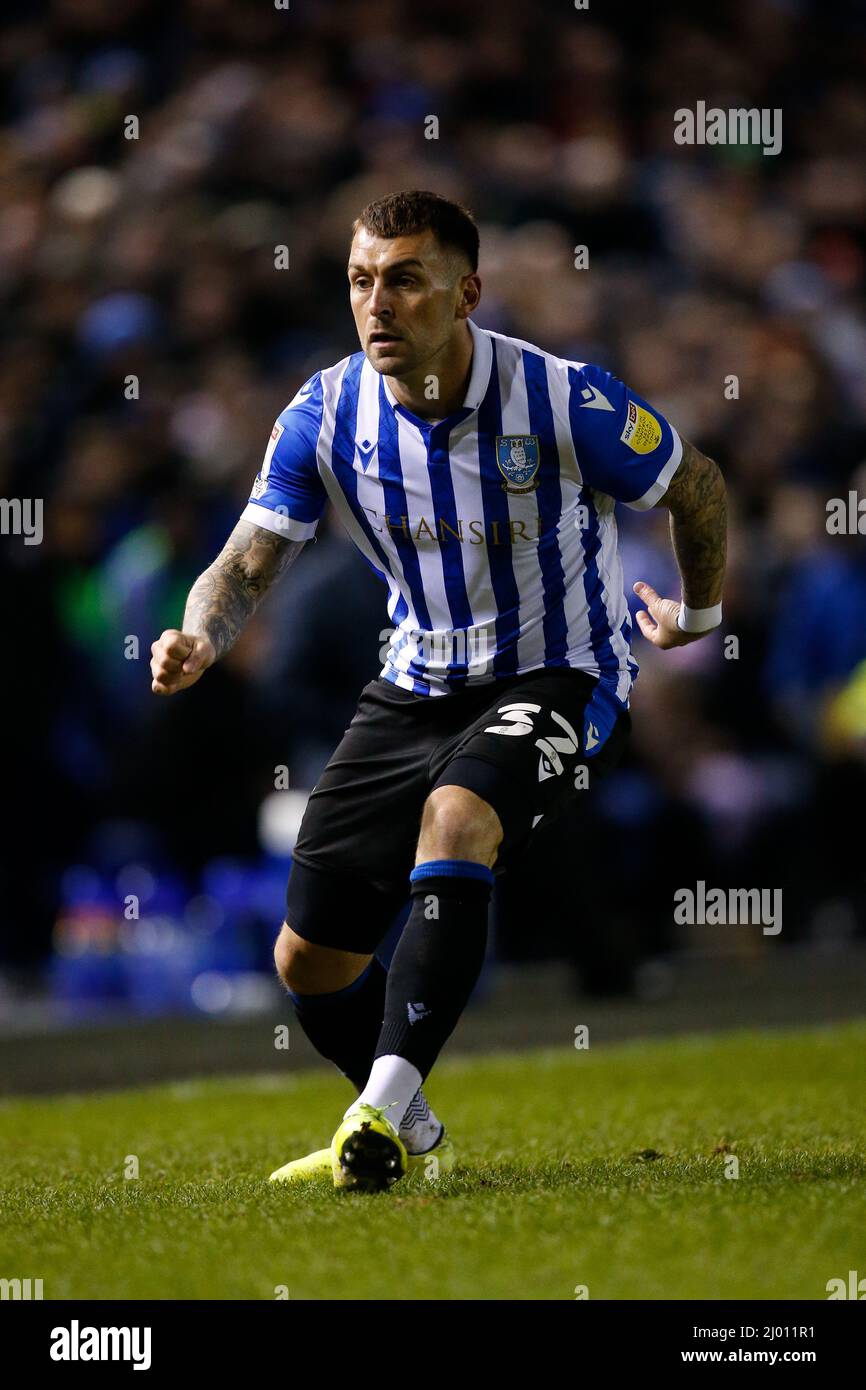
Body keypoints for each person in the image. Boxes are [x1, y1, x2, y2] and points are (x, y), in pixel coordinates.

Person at [150, 190, 727, 1192]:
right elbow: (244, 564)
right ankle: (405, 1116)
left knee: (456, 820)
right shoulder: (325, 412)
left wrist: (699, 615)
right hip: (414, 682)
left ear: (465, 293)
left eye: (405, 280)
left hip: (560, 669)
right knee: (306, 963)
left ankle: (372, 1110)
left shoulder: (559, 399)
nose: (378, 303)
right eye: (361, 280)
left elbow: (697, 487)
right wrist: (200, 632)